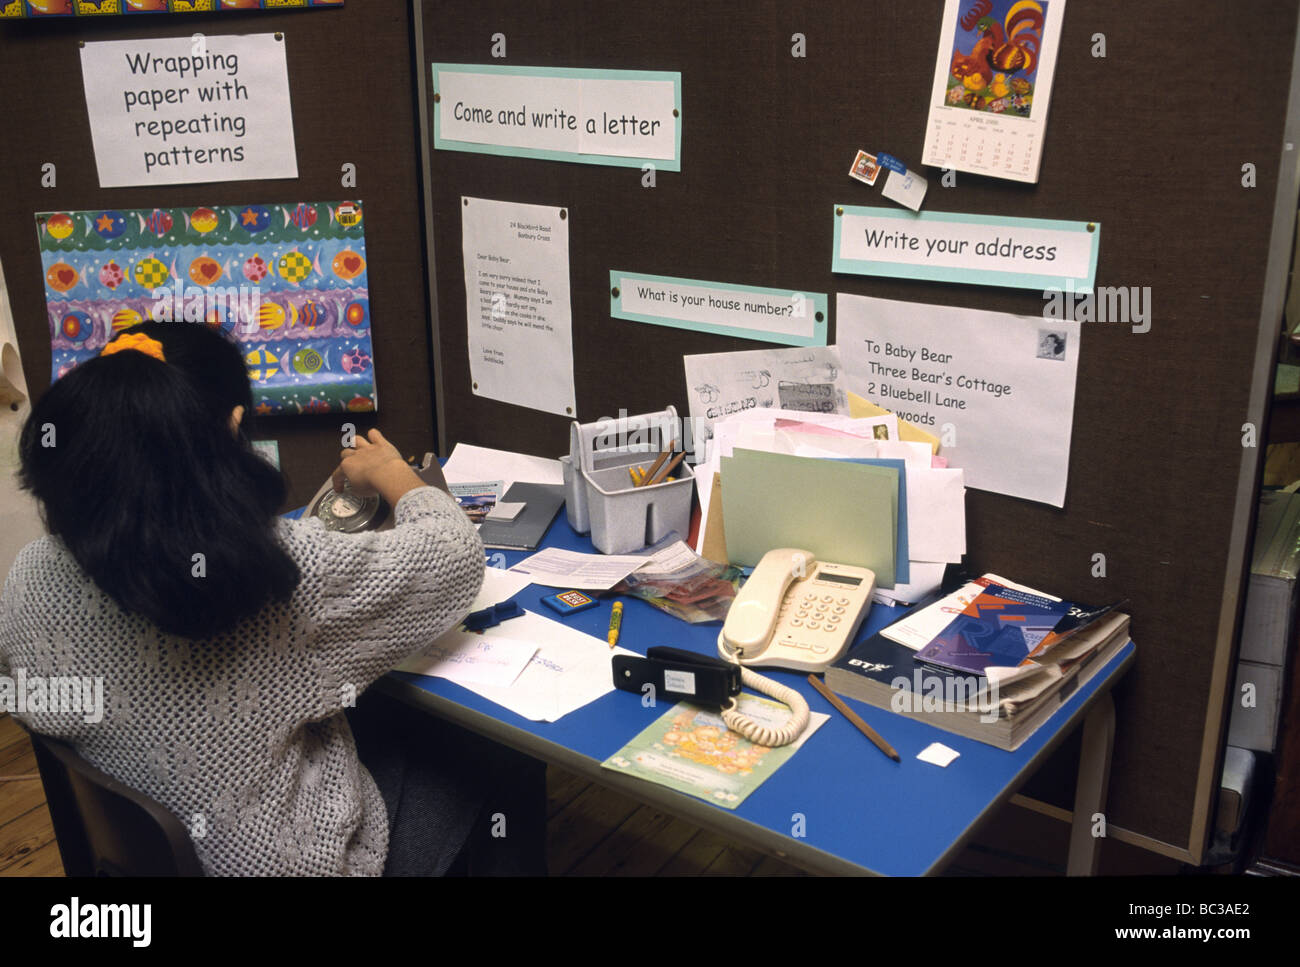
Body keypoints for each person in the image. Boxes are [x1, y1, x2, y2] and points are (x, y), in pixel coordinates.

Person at [0, 322, 545, 876]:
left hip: (142, 862)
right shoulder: (274, 573)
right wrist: (397, 477)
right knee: (500, 748)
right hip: (288, 862)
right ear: (234, 426)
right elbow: (454, 558)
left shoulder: (31, 574)